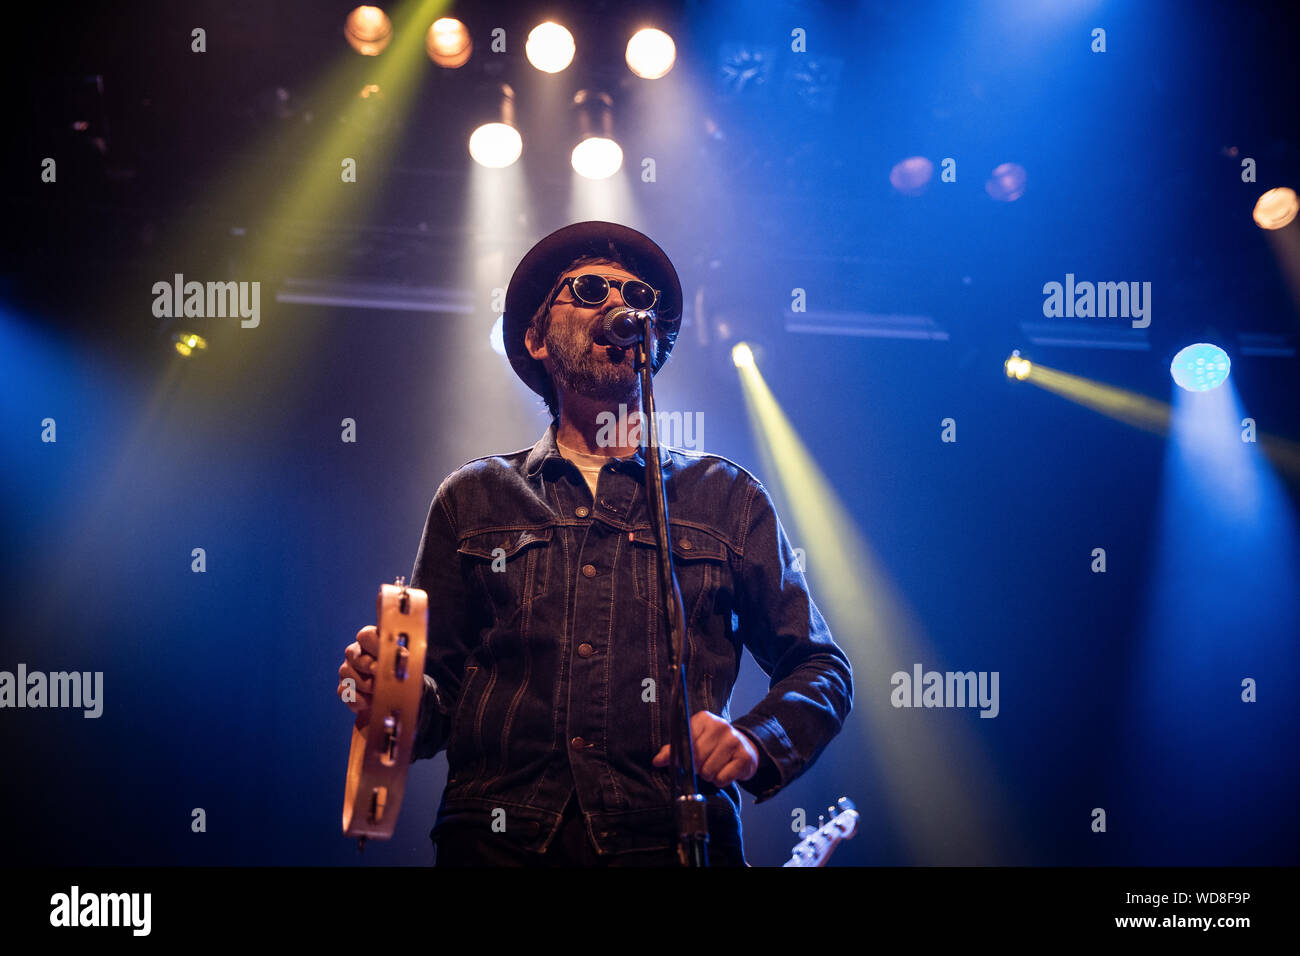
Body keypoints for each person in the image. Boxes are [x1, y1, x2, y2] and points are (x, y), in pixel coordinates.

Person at [337, 221, 853, 866]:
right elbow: (431, 707)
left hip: (670, 842)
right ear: (535, 339)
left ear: (656, 340)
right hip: (498, 849)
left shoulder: (727, 497)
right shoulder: (473, 497)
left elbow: (821, 666)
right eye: (588, 290)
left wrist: (754, 740)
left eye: (638, 298)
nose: (620, 306)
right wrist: (390, 692)